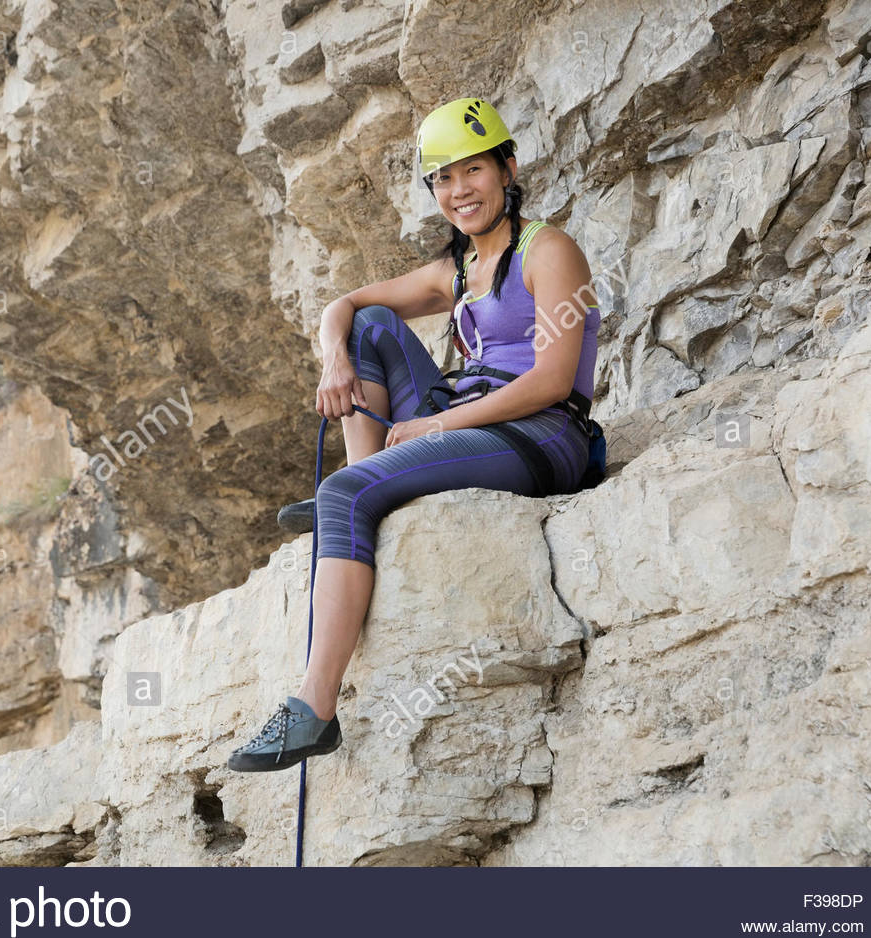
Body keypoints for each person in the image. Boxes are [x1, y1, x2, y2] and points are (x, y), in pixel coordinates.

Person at [227, 97, 601, 773]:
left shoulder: (548, 250)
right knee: (369, 328)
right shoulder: (453, 272)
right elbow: (342, 307)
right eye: (444, 180)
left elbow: (552, 378)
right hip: (475, 417)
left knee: (344, 495)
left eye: (474, 172)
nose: (460, 191)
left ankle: (314, 709)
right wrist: (334, 358)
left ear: (508, 168)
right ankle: (361, 482)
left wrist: (434, 423)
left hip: (544, 436)